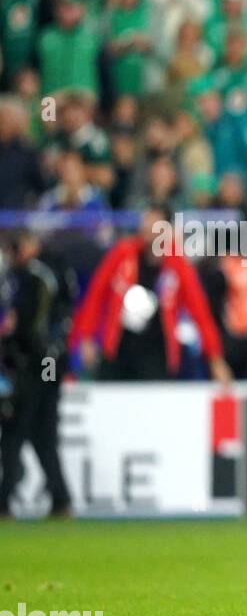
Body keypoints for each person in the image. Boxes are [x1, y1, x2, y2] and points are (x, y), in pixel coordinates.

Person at [69, 210, 233, 384]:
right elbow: (96, 294)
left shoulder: (178, 266)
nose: (148, 229)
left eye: (154, 225)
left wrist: (215, 358)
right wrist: (86, 337)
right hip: (117, 349)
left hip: (157, 353)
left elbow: (200, 312)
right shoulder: (122, 254)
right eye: (146, 223)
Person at [0, 232, 74, 518]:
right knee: (42, 432)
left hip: (41, 362)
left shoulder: (36, 275)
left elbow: (36, 327)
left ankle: (4, 499)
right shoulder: (46, 272)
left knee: (16, 426)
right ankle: (60, 498)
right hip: (49, 361)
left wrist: (13, 344)